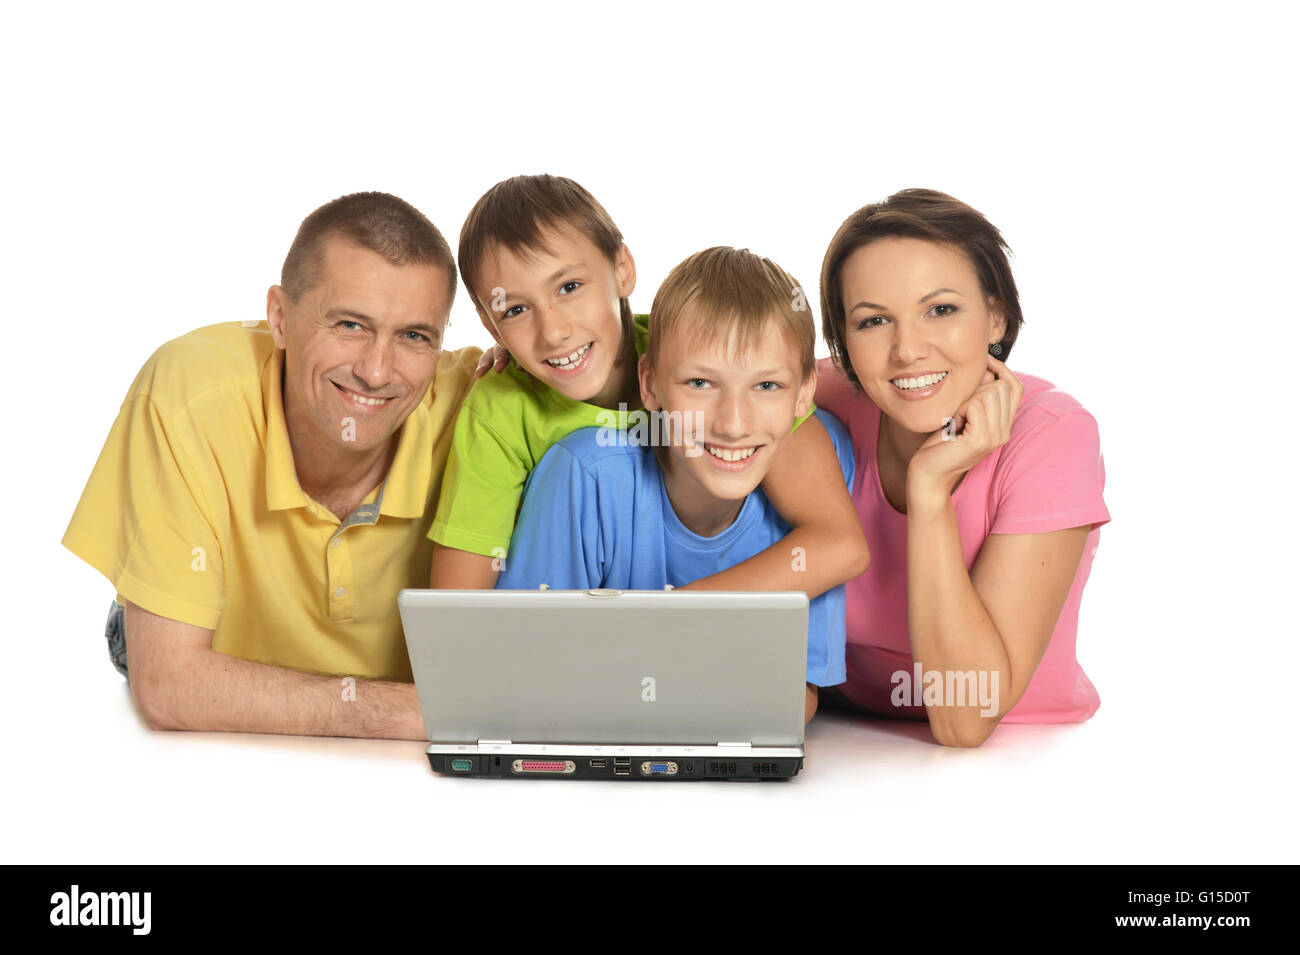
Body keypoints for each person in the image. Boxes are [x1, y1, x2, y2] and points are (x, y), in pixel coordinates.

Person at [62, 192, 481, 739]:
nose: (377, 372)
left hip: (379, 672)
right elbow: (168, 686)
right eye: (350, 325)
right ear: (280, 319)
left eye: (413, 336)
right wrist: (418, 712)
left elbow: (607, 345)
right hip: (214, 634)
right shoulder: (190, 390)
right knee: (146, 641)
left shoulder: (481, 402)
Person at [427, 174, 868, 596]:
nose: (554, 332)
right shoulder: (499, 412)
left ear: (622, 269)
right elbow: (457, 611)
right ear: (490, 327)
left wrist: (673, 617)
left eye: (570, 286)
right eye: (515, 311)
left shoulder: (696, 356)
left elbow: (836, 541)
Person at [499, 247, 857, 722]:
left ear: (804, 393)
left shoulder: (820, 482)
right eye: (700, 384)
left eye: (766, 386)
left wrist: (641, 640)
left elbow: (793, 698)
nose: (733, 424)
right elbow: (521, 676)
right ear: (649, 385)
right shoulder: (585, 476)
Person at [815, 188, 1110, 746]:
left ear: (995, 315)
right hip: (843, 734)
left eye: (941, 310)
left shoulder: (1052, 436)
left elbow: (965, 719)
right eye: (874, 321)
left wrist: (930, 492)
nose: (907, 350)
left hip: (1020, 760)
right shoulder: (822, 398)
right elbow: (688, 375)